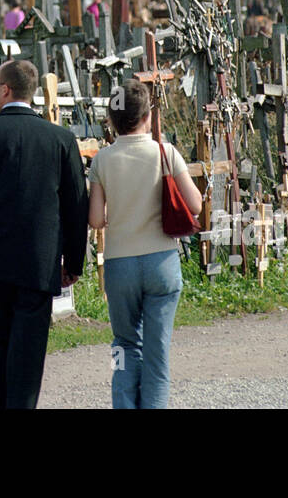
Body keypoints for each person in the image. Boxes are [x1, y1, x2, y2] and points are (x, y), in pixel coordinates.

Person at [0, 59, 88, 409]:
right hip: (38, 263)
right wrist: (73, 261)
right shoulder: (61, 139)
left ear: (5, 89)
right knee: (28, 349)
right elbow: (75, 206)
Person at [88, 79, 201, 409]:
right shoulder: (165, 152)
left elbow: (96, 219)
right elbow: (193, 205)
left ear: (111, 119)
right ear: (147, 117)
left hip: (120, 263)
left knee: (123, 345)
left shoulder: (102, 160)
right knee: (157, 350)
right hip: (161, 262)